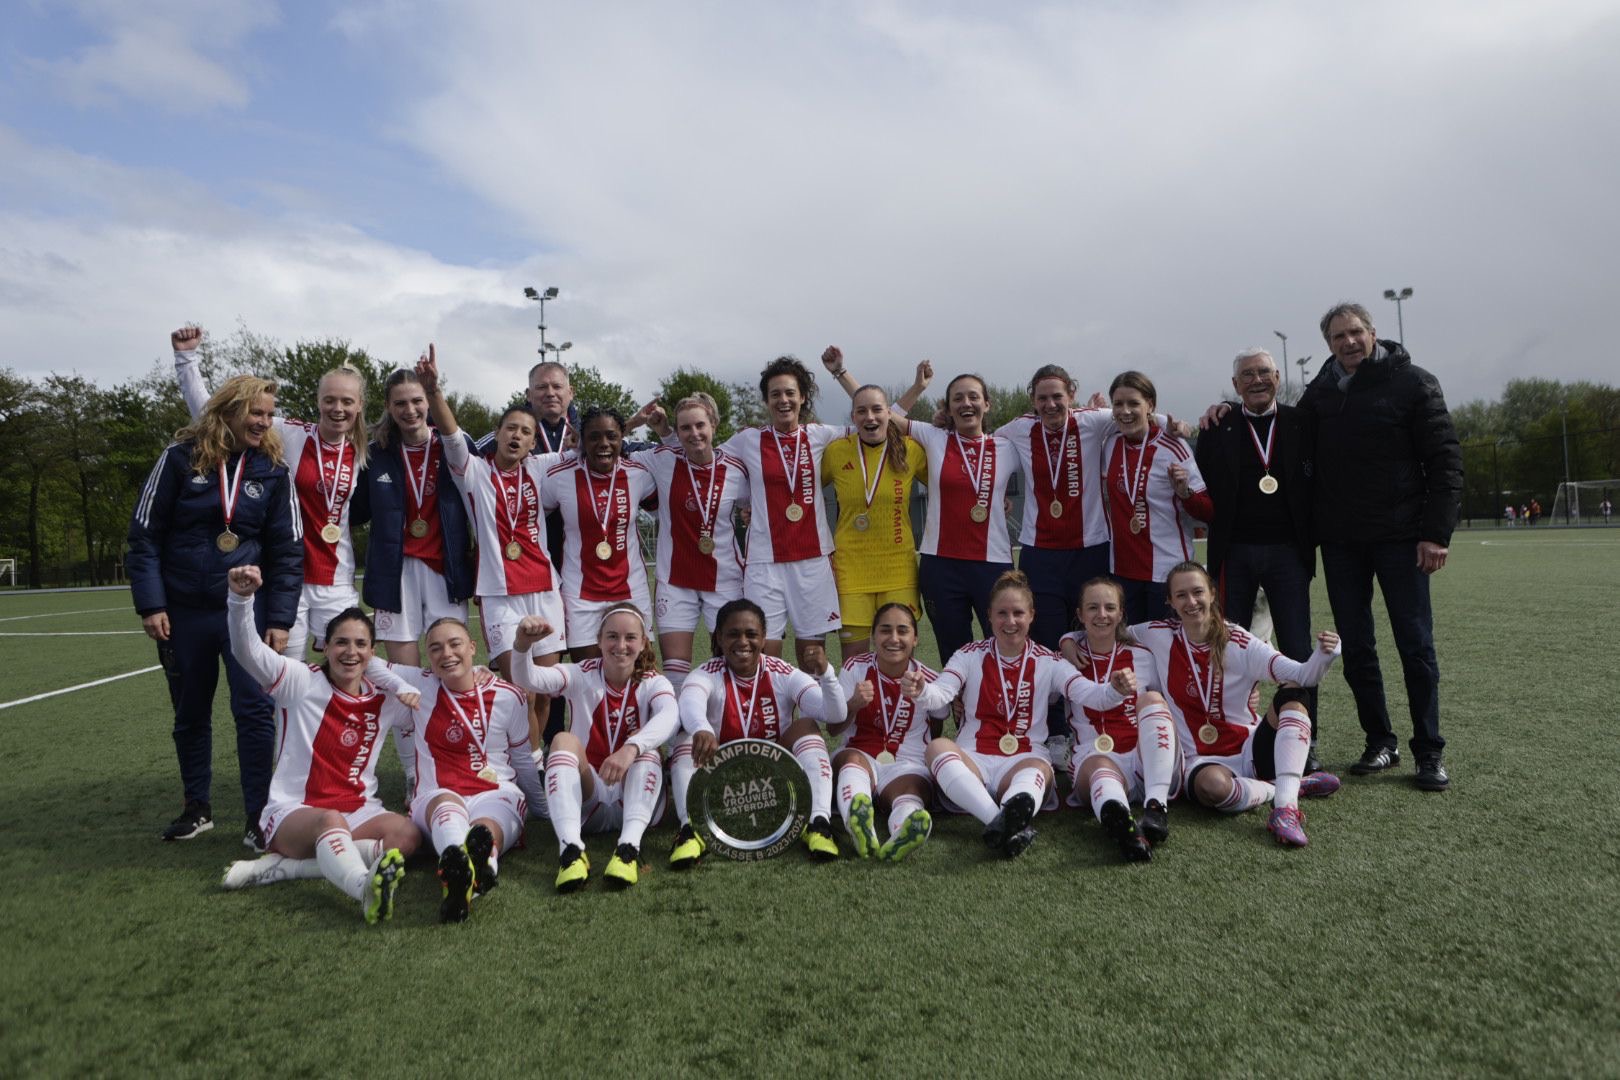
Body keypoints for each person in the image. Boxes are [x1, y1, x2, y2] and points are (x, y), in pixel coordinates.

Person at [128, 367, 301, 849]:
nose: (264, 422)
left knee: (254, 711)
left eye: (269, 414)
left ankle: (258, 816)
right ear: (228, 411)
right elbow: (144, 537)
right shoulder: (178, 459)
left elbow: (288, 550)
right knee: (189, 711)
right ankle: (196, 808)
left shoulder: (273, 470)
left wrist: (279, 618)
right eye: (255, 412)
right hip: (184, 611)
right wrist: (151, 604)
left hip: (244, 612)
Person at [1298, 302, 1462, 791]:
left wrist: (1435, 533)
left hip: (1401, 538)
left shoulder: (1414, 382)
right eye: (1338, 337)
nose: (1348, 342)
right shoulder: (1319, 393)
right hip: (1342, 543)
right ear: (1328, 344)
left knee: (1416, 646)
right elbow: (1282, 435)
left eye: (1356, 332)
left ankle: (1429, 751)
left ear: (1373, 333)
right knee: (1357, 648)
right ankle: (1379, 742)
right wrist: (1220, 413)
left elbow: (1445, 460)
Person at [217, 567, 420, 922]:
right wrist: (240, 599)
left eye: (360, 644)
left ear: (372, 653)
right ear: (324, 647)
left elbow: (436, 691)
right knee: (330, 820)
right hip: (296, 811)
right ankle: (363, 887)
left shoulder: (384, 699)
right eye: (341, 642)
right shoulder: (299, 682)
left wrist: (477, 675)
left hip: (359, 809)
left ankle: (286, 868)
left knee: (408, 835)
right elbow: (247, 652)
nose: (350, 652)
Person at [902, 571, 1136, 858]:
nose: (1010, 621)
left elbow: (1091, 695)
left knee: (1039, 768)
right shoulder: (969, 655)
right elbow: (941, 693)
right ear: (989, 615)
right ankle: (998, 821)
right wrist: (922, 690)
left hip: (1023, 759)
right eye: (1002, 613)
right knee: (937, 747)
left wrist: (1114, 690)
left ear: (1031, 616)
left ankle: (1010, 813)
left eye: (1018, 613)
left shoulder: (1049, 661)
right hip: (973, 760)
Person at [173, 327, 368, 660]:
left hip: (337, 579)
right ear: (318, 402)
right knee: (286, 675)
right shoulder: (289, 433)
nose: (338, 408)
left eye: (347, 401)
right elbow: (212, 415)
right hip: (287, 580)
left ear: (359, 405)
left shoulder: (366, 453)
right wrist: (186, 359)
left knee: (348, 669)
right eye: (330, 400)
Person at [826, 354, 1018, 666]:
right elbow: (881, 413)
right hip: (939, 566)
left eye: (973, 397)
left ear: (987, 404)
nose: (966, 403)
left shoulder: (1008, 445)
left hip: (989, 563)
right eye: (958, 398)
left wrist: (999, 497)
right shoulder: (933, 438)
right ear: (948, 408)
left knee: (1004, 649)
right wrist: (843, 373)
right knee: (953, 656)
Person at [419, 347, 569, 748]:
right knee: (521, 691)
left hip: (544, 590)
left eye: (525, 432)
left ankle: (537, 764)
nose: (517, 435)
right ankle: (526, 765)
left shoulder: (542, 469)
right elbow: (451, 435)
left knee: (546, 690)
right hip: (499, 595)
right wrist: (433, 391)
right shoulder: (473, 472)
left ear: (533, 443)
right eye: (510, 428)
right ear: (497, 433)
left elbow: (591, 451)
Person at [1133, 562, 1342, 847]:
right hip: (1200, 760)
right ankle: (1288, 785)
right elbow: (1108, 632)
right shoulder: (1156, 634)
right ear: (1170, 601)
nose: (1191, 602)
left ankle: (1285, 808)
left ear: (1212, 594)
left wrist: (1324, 656)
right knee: (1214, 788)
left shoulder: (1240, 641)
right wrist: (1073, 640)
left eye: (1198, 592)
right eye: (1181, 595)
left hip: (1251, 750)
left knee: (1293, 694)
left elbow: (1303, 675)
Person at [1193, 348, 1322, 773]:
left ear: (1278, 377)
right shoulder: (1218, 425)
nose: (1257, 380)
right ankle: (1229, 735)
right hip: (1235, 553)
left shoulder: (1303, 422)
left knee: (1297, 648)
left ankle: (1304, 739)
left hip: (1288, 552)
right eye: (1247, 375)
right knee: (1228, 647)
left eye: (1264, 372)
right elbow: (1201, 486)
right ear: (1235, 385)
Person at [353, 366, 479, 791]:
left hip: (446, 571)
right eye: (401, 403)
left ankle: (457, 761)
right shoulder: (375, 454)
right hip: (395, 575)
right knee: (404, 679)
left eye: (417, 401)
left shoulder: (453, 445)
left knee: (453, 670)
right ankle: (413, 773)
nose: (410, 410)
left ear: (429, 403)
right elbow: (352, 509)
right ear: (389, 407)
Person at [376, 617, 545, 922]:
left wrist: (541, 807)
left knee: (484, 830)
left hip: (496, 792)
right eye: (435, 648)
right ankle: (472, 868)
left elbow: (522, 759)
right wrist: (400, 685)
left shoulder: (509, 695)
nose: (446, 654)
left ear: (472, 647)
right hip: (437, 794)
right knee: (446, 805)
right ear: (428, 656)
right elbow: (369, 662)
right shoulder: (422, 684)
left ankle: (464, 874)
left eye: (455, 644)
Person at [509, 604, 678, 891]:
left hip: (636, 798)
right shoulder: (581, 673)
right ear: (598, 640)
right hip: (588, 799)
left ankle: (628, 849)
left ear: (643, 642)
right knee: (562, 740)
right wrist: (522, 646)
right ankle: (571, 851)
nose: (620, 646)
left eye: (630, 638)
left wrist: (631, 748)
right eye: (612, 636)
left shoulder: (653, 681)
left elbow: (670, 715)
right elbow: (529, 679)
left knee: (647, 747)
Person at [672, 599, 848, 864]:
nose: (743, 642)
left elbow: (835, 714)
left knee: (807, 727)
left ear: (764, 638)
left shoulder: (782, 673)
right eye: (733, 634)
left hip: (773, 785)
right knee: (685, 737)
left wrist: (826, 674)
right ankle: (690, 830)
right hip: (723, 787)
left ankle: (818, 823)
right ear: (719, 638)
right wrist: (701, 728)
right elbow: (690, 701)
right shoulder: (706, 674)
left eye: (751, 634)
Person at [715, 356, 847, 668]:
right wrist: (745, 501)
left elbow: (875, 422)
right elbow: (705, 457)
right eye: (775, 394)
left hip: (812, 559)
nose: (783, 400)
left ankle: (809, 703)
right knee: (764, 654)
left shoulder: (820, 435)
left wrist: (841, 373)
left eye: (790, 393)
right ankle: (770, 702)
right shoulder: (748, 439)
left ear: (803, 397)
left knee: (812, 656)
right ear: (766, 400)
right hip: (764, 563)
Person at [629, 393, 748, 697]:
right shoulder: (662, 459)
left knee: (731, 662)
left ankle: (726, 721)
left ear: (713, 424)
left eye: (700, 425)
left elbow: (757, 506)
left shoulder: (737, 470)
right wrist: (637, 422)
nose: (694, 433)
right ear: (676, 432)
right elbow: (609, 446)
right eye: (685, 428)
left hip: (725, 579)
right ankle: (680, 728)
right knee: (675, 671)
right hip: (676, 581)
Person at [1058, 577, 1179, 861]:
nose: (1102, 615)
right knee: (1099, 769)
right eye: (1093, 608)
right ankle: (1126, 829)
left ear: (1121, 613)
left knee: (1152, 699)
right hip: (1094, 757)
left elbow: (1169, 705)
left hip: (1145, 760)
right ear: (1080, 614)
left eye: (1110, 607)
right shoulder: (1063, 660)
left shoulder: (1143, 655)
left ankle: (1156, 807)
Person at [818, 374, 930, 659]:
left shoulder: (911, 450)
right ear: (853, 417)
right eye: (862, 411)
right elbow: (803, 489)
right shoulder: (835, 452)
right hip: (851, 570)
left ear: (889, 414)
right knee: (855, 663)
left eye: (877, 409)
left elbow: (949, 484)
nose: (870, 417)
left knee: (899, 657)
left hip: (898, 569)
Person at [538, 405, 658, 660]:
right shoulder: (559, 477)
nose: (603, 444)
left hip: (631, 589)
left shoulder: (639, 475)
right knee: (587, 674)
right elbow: (533, 519)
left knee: (638, 671)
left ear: (621, 439)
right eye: (594, 437)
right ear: (581, 441)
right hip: (580, 593)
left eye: (611, 436)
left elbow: (666, 507)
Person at [830, 602, 945, 861]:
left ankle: (904, 829)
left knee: (912, 790)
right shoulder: (855, 667)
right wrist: (853, 705)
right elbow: (833, 728)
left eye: (902, 631)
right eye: (885, 630)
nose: (893, 638)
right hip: (861, 755)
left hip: (907, 763)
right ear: (873, 636)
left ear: (915, 639)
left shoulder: (929, 679)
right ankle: (861, 827)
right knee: (851, 760)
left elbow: (937, 725)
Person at [1102, 371, 1212, 623]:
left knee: (1168, 644)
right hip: (1122, 572)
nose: (1125, 411)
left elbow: (1207, 511)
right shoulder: (1110, 445)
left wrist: (1184, 492)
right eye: (1118, 404)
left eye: (1134, 403)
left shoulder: (1174, 446)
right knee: (1129, 643)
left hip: (1167, 573)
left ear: (1150, 405)